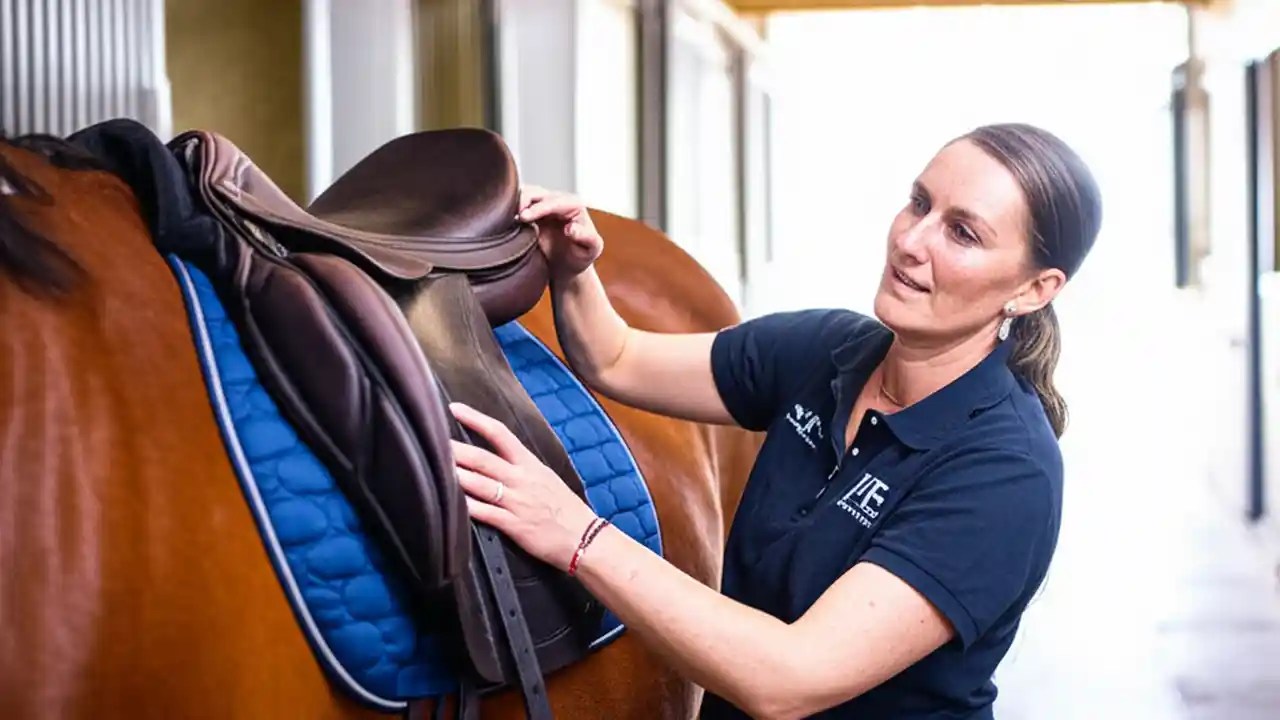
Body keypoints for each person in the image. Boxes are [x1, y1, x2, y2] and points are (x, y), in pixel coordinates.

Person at [448, 122, 1101, 719]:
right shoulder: (829, 350)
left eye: (962, 232)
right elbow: (617, 358)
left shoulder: (1004, 469)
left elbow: (790, 677)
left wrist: (575, 534)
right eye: (919, 203)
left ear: (1033, 290)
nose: (910, 240)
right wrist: (575, 269)